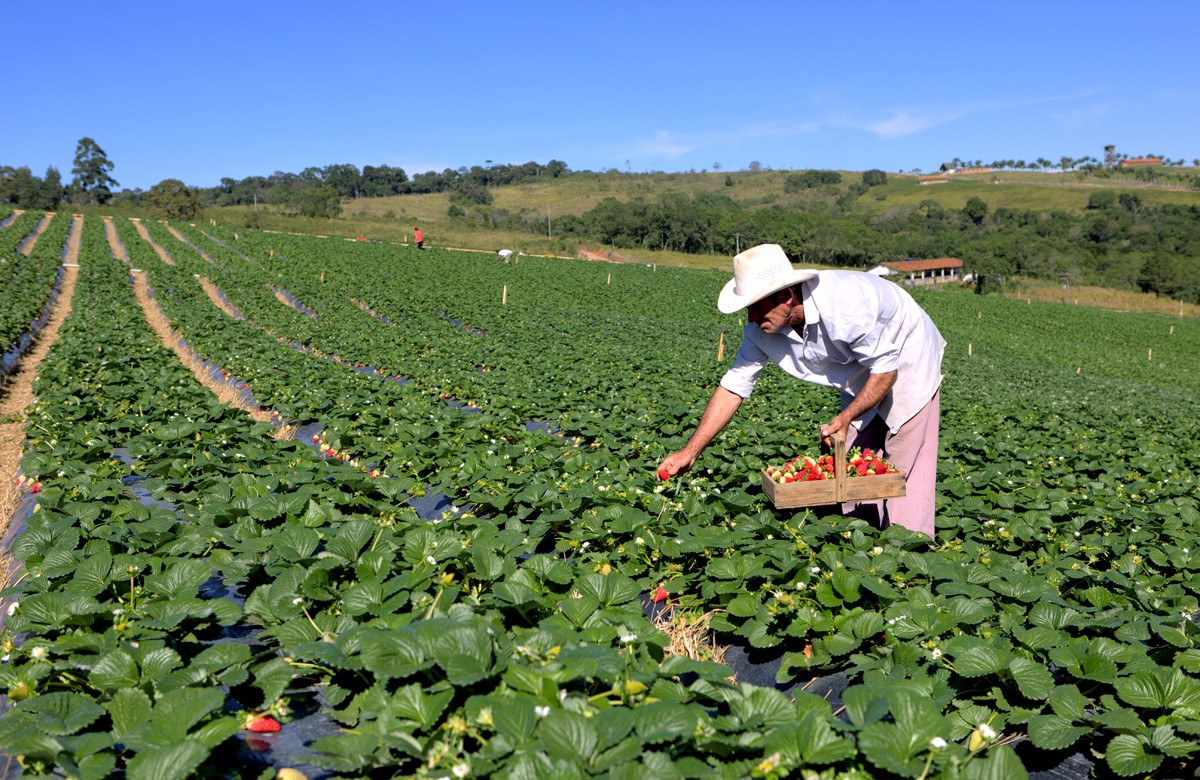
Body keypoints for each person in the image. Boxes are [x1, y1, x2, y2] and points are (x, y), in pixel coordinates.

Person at [657, 243, 946, 537]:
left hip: (907, 354)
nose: (751, 318)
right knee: (855, 457)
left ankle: (909, 551)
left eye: (757, 306)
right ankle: (861, 539)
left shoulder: (845, 305)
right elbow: (734, 386)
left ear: (786, 296)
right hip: (859, 366)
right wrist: (690, 452)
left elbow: (886, 370)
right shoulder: (761, 329)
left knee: (904, 462)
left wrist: (845, 417)